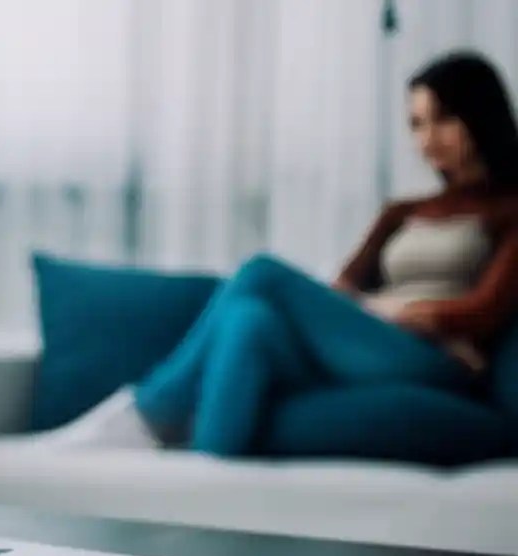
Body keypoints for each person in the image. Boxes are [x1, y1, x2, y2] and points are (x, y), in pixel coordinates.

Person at [61, 50, 518, 457]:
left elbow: (484, 311)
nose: (427, 139)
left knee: (262, 272)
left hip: (433, 359)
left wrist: (400, 313)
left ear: (478, 116)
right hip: (374, 340)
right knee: (249, 320)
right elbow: (343, 287)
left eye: (442, 119)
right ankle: (201, 471)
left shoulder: (509, 209)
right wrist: (378, 311)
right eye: (416, 124)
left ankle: (149, 412)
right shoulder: (403, 212)